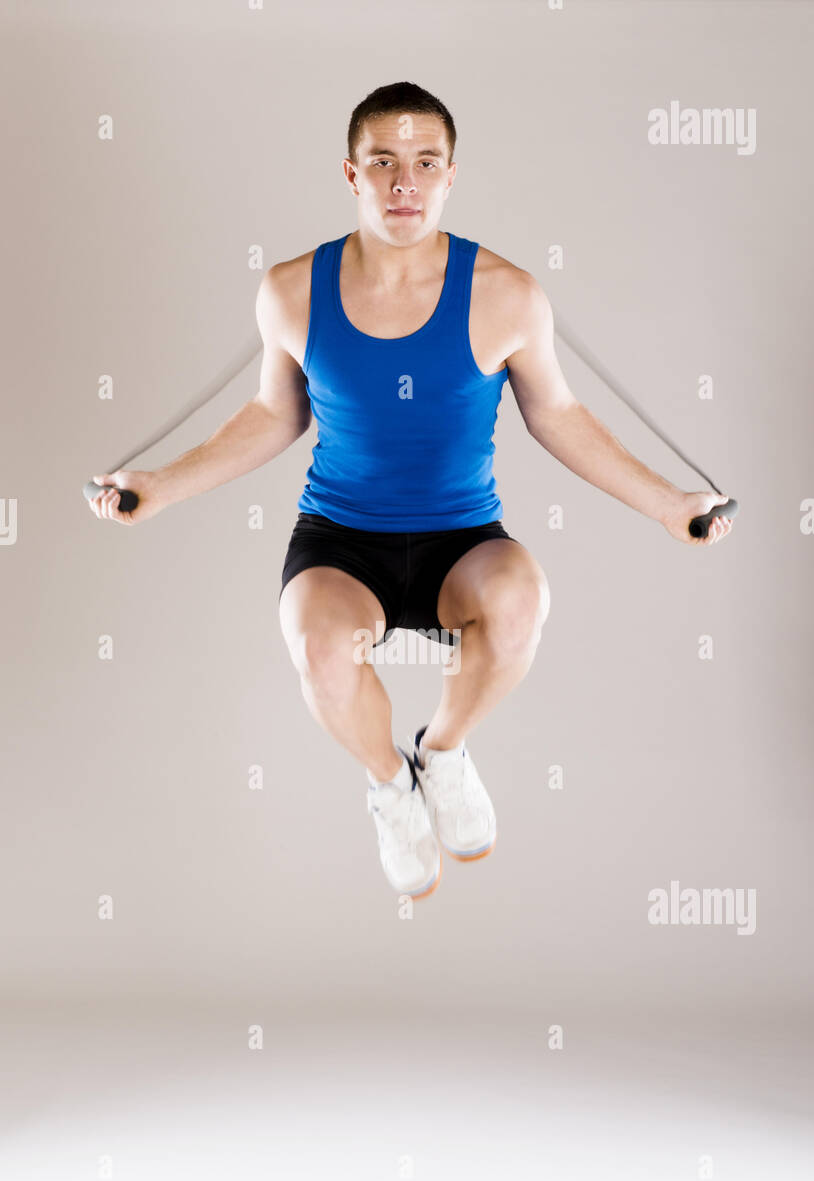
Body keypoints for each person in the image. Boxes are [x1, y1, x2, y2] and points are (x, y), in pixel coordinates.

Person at [87, 80, 734, 901]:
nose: (404, 183)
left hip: (461, 538)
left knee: (520, 600)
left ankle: (446, 752)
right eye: (383, 162)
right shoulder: (291, 290)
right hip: (340, 541)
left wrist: (670, 505)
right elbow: (272, 415)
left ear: (451, 175)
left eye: (425, 163)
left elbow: (560, 418)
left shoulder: (507, 294)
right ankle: (391, 786)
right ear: (351, 176)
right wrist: (159, 486)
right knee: (320, 650)